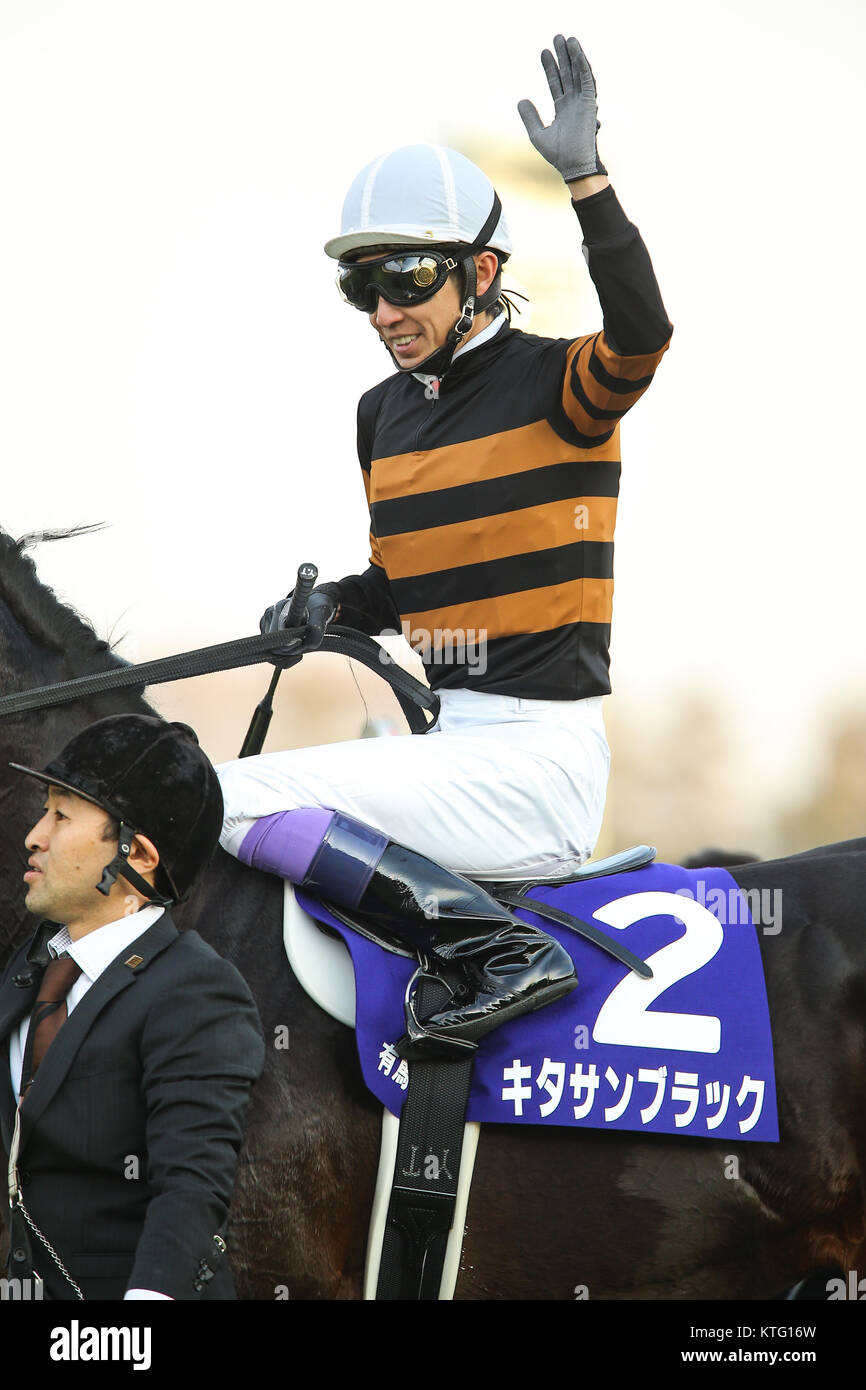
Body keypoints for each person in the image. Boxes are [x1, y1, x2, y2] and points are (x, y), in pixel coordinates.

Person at [217, 34, 672, 1055]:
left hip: (536, 762)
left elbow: (641, 333)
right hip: (445, 742)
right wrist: (330, 607)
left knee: (226, 796)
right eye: (364, 286)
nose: (385, 310)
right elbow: (402, 584)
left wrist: (586, 182)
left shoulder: (562, 386)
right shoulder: (380, 415)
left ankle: (500, 952)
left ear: (479, 272)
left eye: (409, 277)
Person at [0, 714, 265, 1300]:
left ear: (137, 855)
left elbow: (191, 1191)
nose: (33, 836)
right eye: (44, 810)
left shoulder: (198, 992)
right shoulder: (29, 964)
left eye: (61, 816)